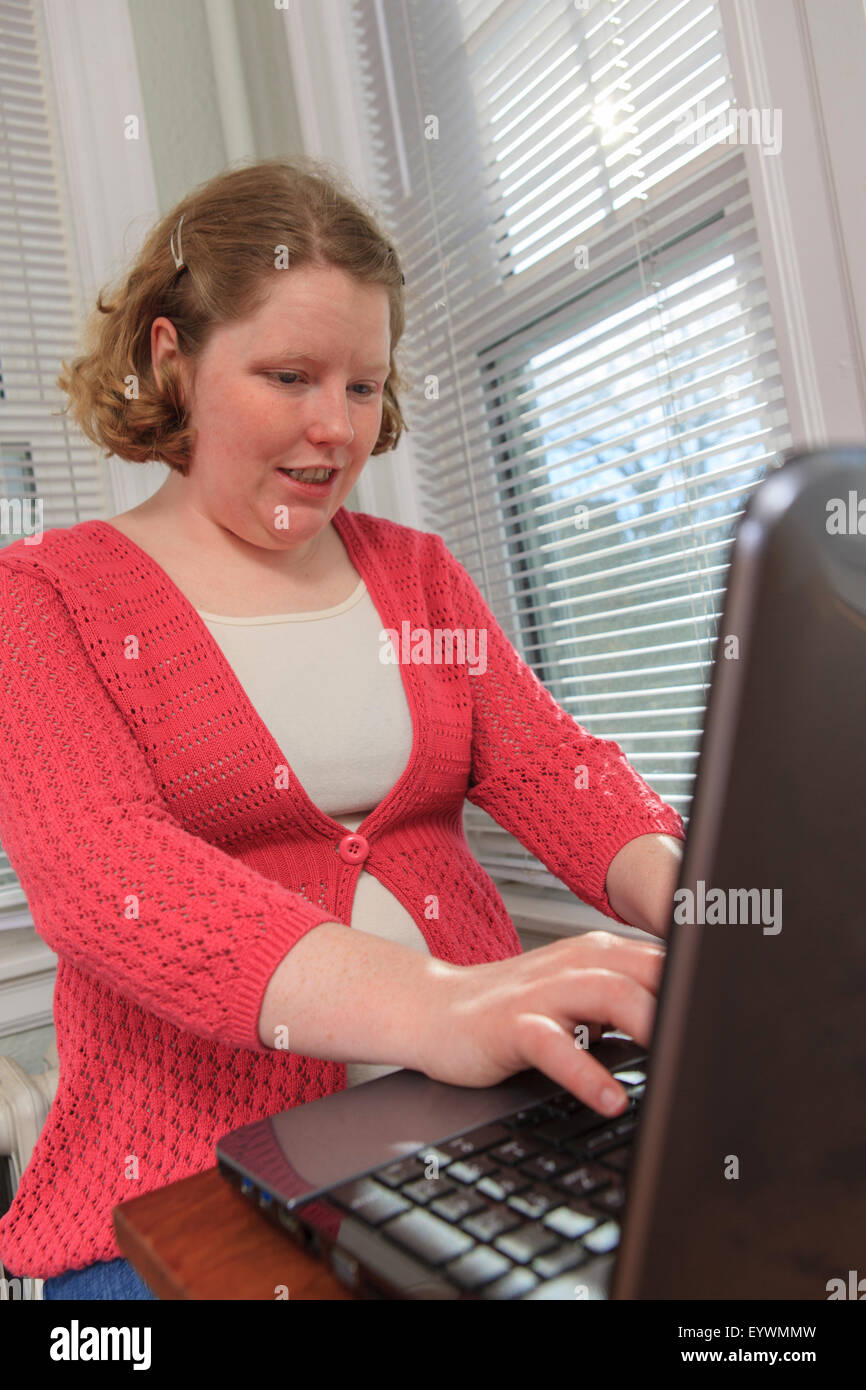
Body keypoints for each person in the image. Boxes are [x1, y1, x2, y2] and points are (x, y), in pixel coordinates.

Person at [0, 157, 684, 1300]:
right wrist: (437, 1005)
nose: (334, 428)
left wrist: (705, 899)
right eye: (289, 374)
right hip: (180, 1191)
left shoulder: (416, 579)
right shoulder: (49, 594)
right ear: (172, 357)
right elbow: (103, 873)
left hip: (470, 1139)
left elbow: (556, 771)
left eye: (362, 387)